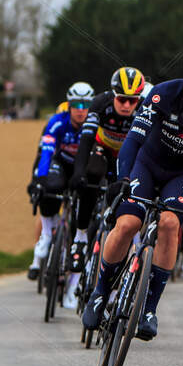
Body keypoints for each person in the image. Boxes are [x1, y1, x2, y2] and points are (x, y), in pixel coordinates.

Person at [80, 46, 183, 341]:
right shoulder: (163, 95)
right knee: (127, 224)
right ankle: (100, 293)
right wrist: (124, 177)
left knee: (169, 224)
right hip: (146, 165)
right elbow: (133, 141)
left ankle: (149, 308)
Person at [65, 66, 146, 301]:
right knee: (90, 174)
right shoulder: (100, 104)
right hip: (102, 150)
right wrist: (78, 173)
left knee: (127, 194)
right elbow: (85, 142)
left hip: (128, 157)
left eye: (132, 101)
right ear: (113, 94)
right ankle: (80, 238)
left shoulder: (144, 110)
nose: (127, 106)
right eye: (122, 99)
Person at [28, 82, 93, 281]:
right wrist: (39, 179)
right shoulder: (57, 122)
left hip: (83, 166)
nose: (81, 111)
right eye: (76, 106)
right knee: (49, 187)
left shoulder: (94, 124)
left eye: (85, 106)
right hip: (62, 163)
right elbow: (45, 153)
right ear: (69, 105)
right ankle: (47, 234)